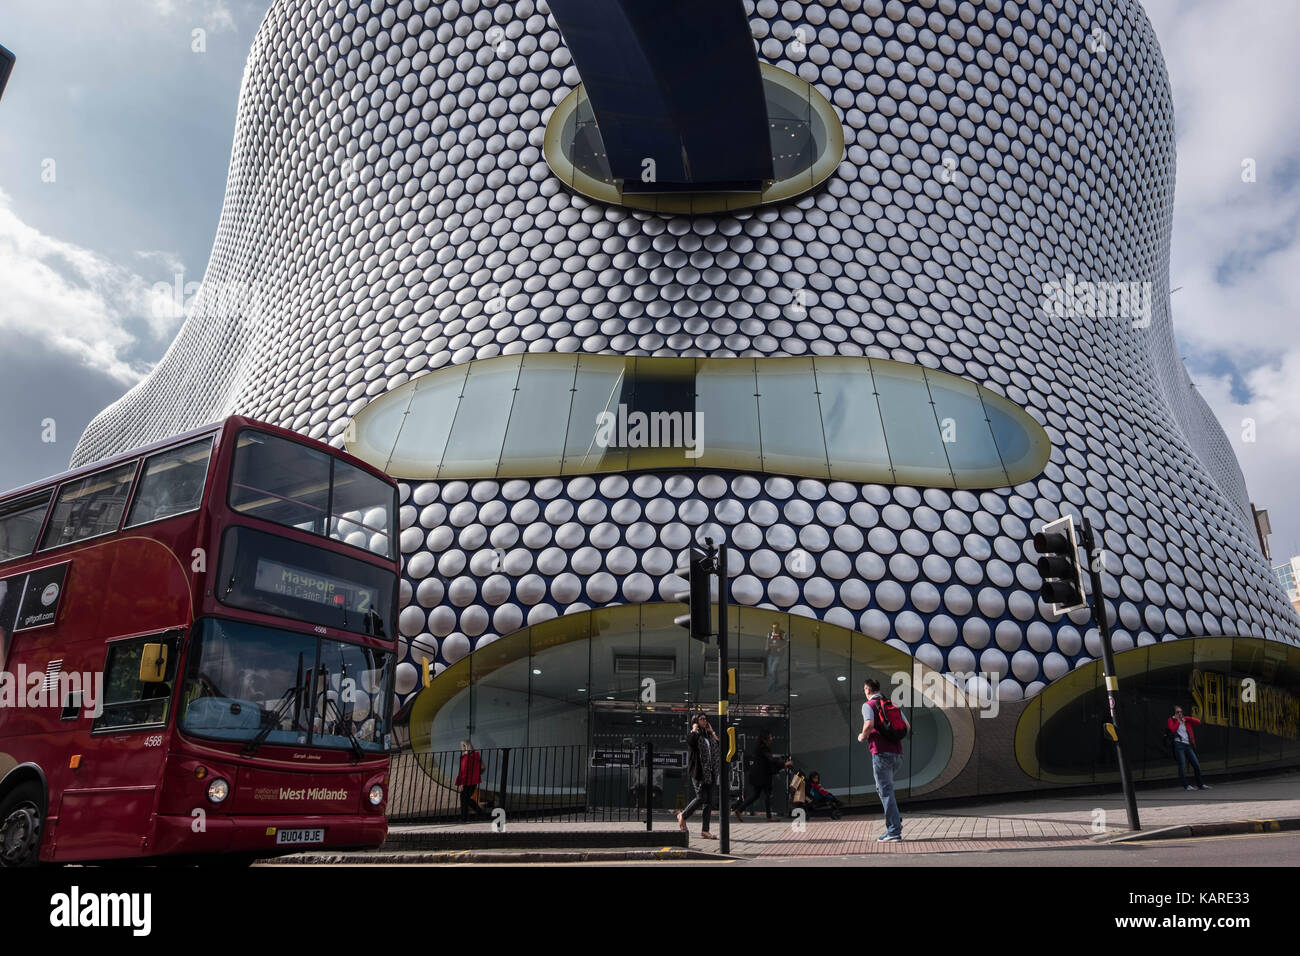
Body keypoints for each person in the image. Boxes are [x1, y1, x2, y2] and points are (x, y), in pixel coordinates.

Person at [858, 678, 908, 842]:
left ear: (867, 689)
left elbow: (869, 724)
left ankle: (894, 831)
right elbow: (907, 726)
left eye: (864, 689)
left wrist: (862, 736)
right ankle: (895, 819)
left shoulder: (868, 705)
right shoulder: (891, 703)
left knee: (885, 791)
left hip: (881, 753)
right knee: (885, 790)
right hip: (897, 754)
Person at [678, 713, 721, 840]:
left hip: (711, 772)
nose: (704, 721)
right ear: (695, 721)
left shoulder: (707, 735)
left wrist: (712, 732)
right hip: (699, 772)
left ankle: (705, 830)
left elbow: (718, 746)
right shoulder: (695, 735)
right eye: (701, 719)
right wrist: (694, 728)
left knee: (709, 802)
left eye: (705, 719)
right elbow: (690, 740)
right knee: (701, 797)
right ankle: (683, 815)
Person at [733, 731, 792, 821]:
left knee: (756, 795)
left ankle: (739, 809)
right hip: (762, 776)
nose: (771, 739)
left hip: (759, 775)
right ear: (765, 739)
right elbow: (770, 759)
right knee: (767, 795)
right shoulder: (763, 748)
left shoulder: (760, 748)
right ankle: (768, 817)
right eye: (770, 737)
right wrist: (784, 763)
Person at [1168, 705, 1211, 791]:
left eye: (1181, 712)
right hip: (1179, 745)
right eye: (1177, 712)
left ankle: (1200, 784)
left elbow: (1197, 721)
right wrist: (1177, 721)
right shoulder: (1171, 720)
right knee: (1182, 765)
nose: (1180, 713)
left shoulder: (1185, 720)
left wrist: (1186, 718)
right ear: (1174, 713)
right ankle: (1186, 785)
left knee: (1196, 764)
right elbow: (1172, 730)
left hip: (1188, 745)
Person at [456, 739, 489, 821]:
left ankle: (465, 817)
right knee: (466, 798)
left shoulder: (465, 757)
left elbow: (464, 771)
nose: (461, 748)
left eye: (462, 746)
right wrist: (476, 774)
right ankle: (480, 813)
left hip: (466, 781)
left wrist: (461, 784)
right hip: (474, 780)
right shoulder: (476, 755)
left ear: (466, 746)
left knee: (464, 799)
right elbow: (483, 767)